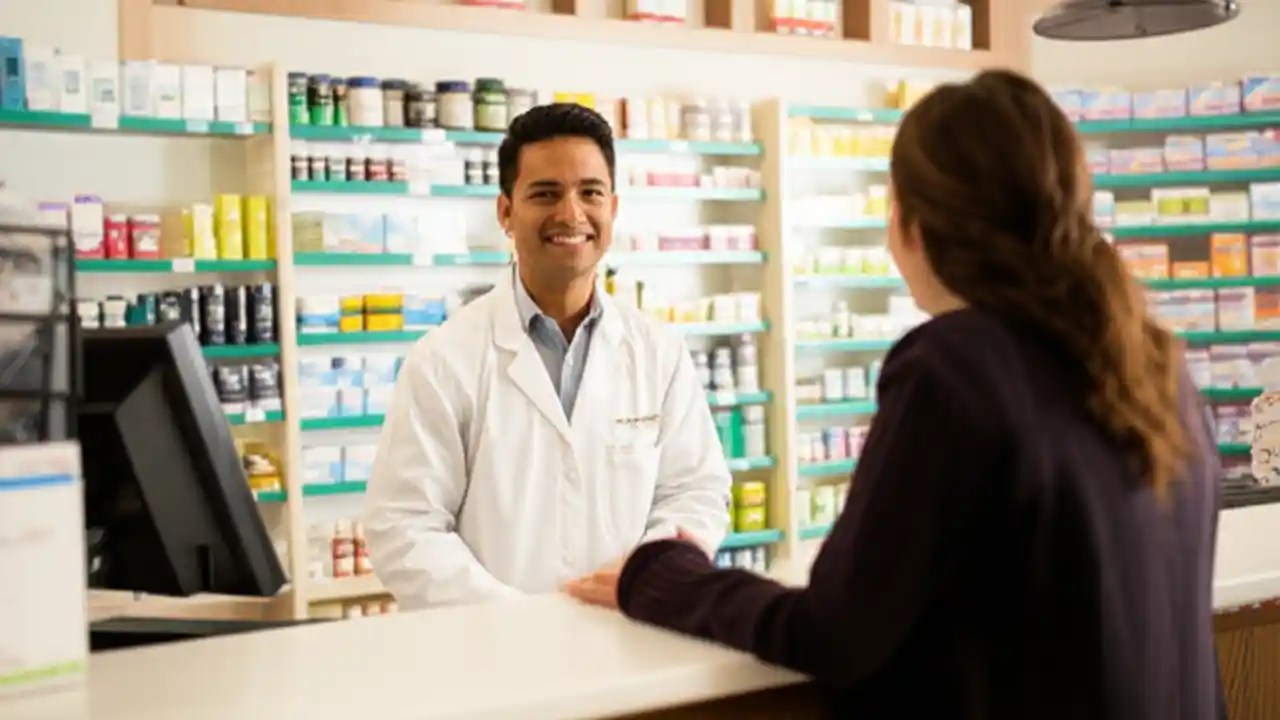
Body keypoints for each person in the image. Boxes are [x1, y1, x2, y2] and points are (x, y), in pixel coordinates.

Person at [566, 70, 1223, 719]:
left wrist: (657, 574)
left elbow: (834, 632)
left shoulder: (957, 363)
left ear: (910, 223)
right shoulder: (1152, 360)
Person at [362, 103, 732, 610]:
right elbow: (404, 527)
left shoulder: (658, 353)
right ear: (506, 212)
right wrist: (517, 618)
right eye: (545, 194)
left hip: (629, 634)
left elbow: (696, 492)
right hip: (493, 651)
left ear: (614, 208)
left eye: (590, 193)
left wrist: (641, 579)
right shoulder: (444, 360)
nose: (571, 214)